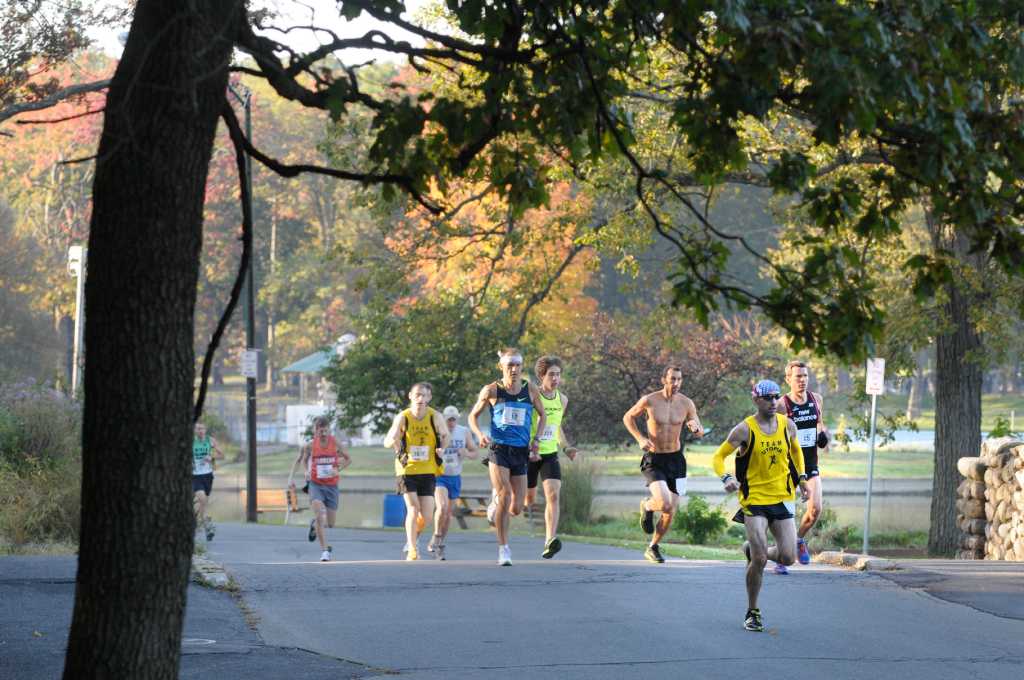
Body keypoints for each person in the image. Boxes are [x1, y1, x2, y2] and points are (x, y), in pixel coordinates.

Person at [713, 379, 809, 632]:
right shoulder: (745, 429)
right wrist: (726, 478)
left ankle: (752, 549)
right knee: (760, 559)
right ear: (756, 400)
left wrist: (803, 479)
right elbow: (719, 456)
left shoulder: (787, 425)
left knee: (789, 557)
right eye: (767, 398)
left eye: (776, 397)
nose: (773, 401)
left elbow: (796, 452)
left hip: (781, 497)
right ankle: (752, 611)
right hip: (754, 500)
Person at [469, 347, 547, 566]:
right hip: (499, 449)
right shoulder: (492, 390)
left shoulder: (530, 389)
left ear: (522, 367)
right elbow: (473, 417)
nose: (514, 369)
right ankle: (504, 549)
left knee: (517, 507)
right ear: (501, 366)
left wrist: (536, 440)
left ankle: (496, 503)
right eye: (510, 365)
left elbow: (543, 416)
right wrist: (479, 434)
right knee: (504, 496)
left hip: (521, 451)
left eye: (518, 365)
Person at [622, 365, 703, 563]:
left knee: (670, 510)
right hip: (654, 459)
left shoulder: (686, 403)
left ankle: (653, 546)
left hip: (676, 460)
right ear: (663, 380)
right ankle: (648, 506)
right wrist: (640, 438)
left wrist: (695, 428)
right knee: (664, 503)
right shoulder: (650, 400)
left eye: (679, 379)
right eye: (672, 379)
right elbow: (628, 417)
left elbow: (699, 429)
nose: (676, 383)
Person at [383, 382, 449, 561]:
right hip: (407, 469)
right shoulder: (403, 417)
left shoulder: (435, 416)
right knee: (413, 508)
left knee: (427, 515)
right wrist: (393, 441)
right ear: (410, 396)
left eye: (425, 395)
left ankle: (412, 536)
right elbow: (389, 438)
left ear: (429, 398)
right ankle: (412, 549)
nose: (421, 399)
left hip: (428, 469)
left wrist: (442, 448)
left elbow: (445, 435)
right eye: (417, 395)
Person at [525, 355, 579, 559]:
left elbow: (557, 428)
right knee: (526, 501)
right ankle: (498, 499)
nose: (555, 378)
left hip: (549, 454)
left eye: (558, 374)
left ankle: (550, 539)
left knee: (553, 494)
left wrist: (566, 448)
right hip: (529, 453)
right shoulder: (532, 395)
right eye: (551, 374)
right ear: (541, 376)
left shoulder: (562, 400)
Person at [781, 360, 830, 569]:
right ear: (788, 379)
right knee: (782, 517)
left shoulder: (816, 399)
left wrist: (824, 437)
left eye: (805, 376)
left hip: (809, 464)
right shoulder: (782, 404)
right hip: (786, 466)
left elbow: (821, 426)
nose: (802, 380)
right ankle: (782, 557)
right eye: (798, 376)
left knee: (815, 510)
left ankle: (799, 540)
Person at [288, 416, 351, 562]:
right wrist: (306, 471)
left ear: (328, 430)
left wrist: (338, 469)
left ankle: (313, 525)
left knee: (330, 523)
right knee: (319, 514)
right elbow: (303, 460)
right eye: (319, 430)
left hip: (332, 485)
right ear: (315, 431)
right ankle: (325, 551)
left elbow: (348, 459)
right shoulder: (309, 446)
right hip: (316, 484)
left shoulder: (335, 443)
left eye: (325, 430)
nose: (322, 433)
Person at [428, 405, 479, 560]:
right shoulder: (437, 432)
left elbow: (475, 453)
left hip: (455, 477)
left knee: (448, 515)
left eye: (454, 420)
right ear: (444, 419)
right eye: (449, 420)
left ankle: (440, 544)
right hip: (440, 476)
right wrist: (437, 453)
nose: (451, 423)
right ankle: (436, 536)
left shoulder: (464, 432)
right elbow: (426, 451)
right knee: (442, 507)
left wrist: (466, 453)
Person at [192, 421, 223, 542]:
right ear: (195, 430)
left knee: (203, 505)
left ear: (205, 430)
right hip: (195, 476)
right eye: (198, 429)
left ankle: (205, 526)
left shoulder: (210, 441)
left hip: (208, 476)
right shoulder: (191, 441)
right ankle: (206, 526)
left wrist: (212, 458)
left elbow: (222, 455)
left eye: (202, 429)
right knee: (202, 499)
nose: (200, 431)